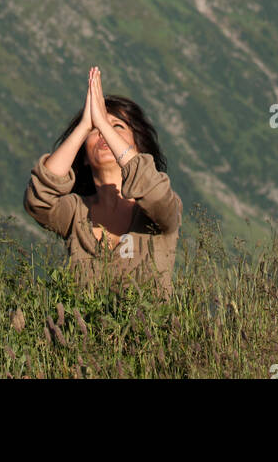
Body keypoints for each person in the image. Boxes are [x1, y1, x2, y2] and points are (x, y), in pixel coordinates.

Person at [23, 66, 182, 298]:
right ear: (84, 157)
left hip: (149, 334)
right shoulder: (76, 213)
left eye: (117, 127)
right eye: (95, 131)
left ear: (138, 149)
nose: (104, 135)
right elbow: (39, 200)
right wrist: (83, 127)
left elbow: (156, 194)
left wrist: (103, 125)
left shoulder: (157, 213)